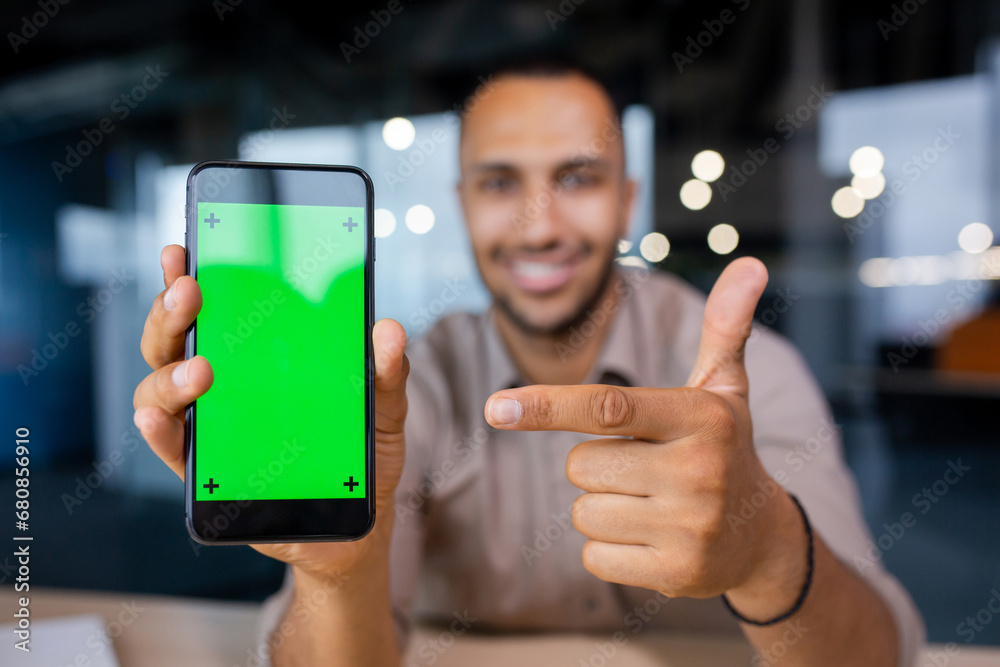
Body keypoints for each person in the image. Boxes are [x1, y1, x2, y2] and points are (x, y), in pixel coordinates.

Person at [132, 60, 925, 666]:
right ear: (464, 202)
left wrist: (767, 550)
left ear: (626, 197)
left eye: (577, 178)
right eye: (501, 182)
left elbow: (884, 653)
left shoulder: (748, 375)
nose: (539, 226)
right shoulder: (402, 382)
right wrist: (338, 574)